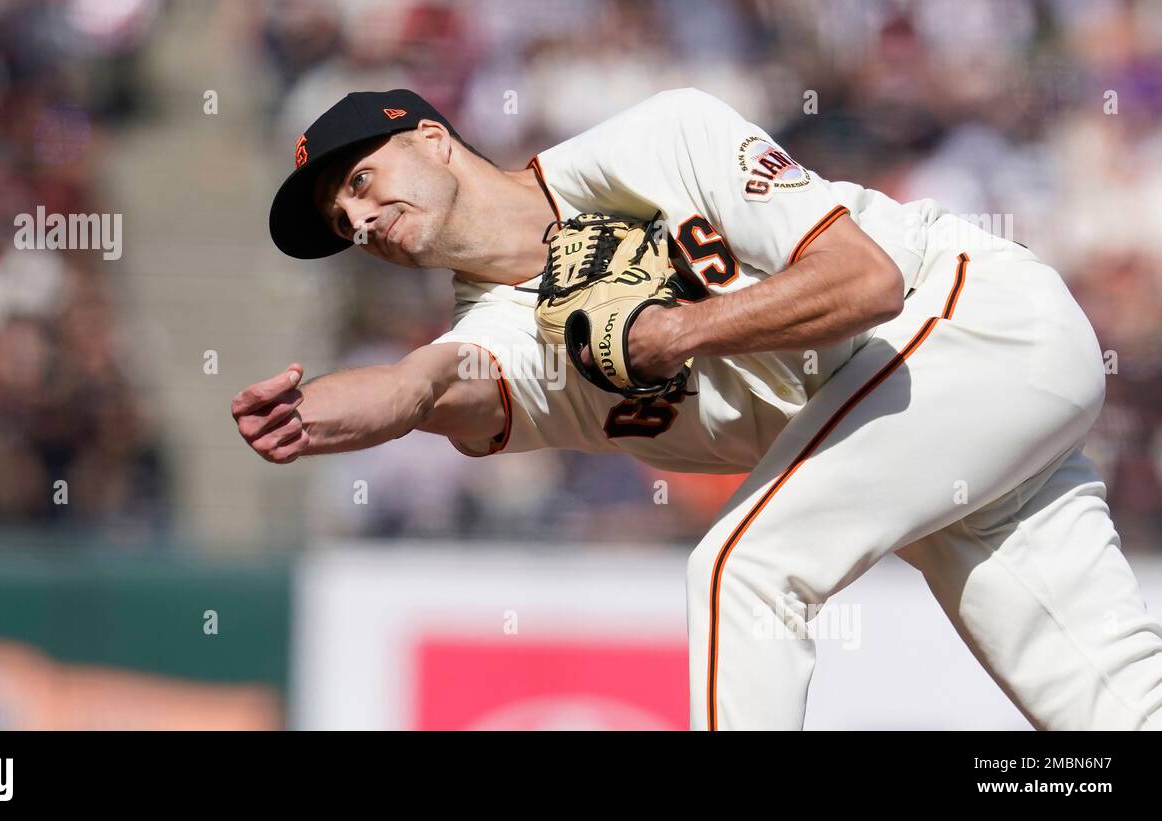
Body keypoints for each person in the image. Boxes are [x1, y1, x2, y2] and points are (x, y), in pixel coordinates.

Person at [237, 88, 1162, 730]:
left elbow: (869, 280)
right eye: (338, 223)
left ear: (433, 138)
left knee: (739, 569)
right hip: (946, 444)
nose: (357, 220)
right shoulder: (510, 331)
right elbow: (419, 387)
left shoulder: (652, 143)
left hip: (969, 321)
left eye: (358, 182)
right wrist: (309, 412)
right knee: (1108, 706)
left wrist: (676, 333)